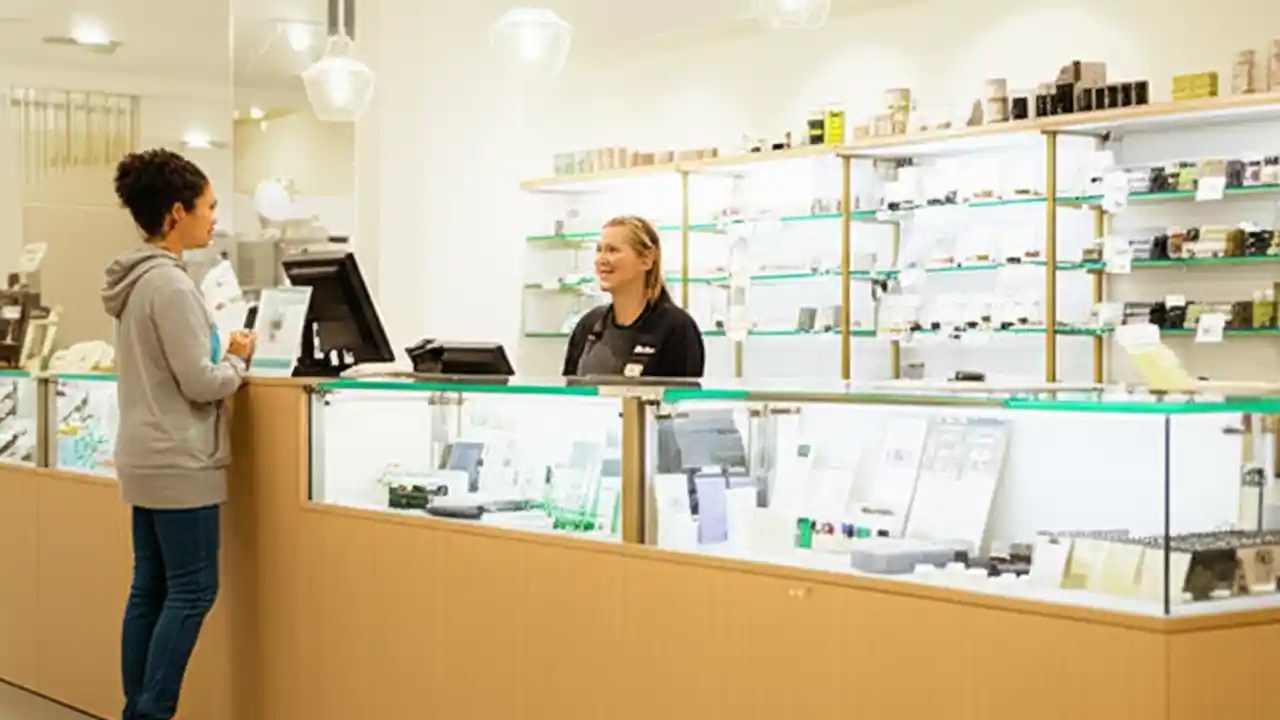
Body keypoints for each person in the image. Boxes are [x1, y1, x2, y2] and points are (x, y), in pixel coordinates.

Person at [102, 149, 256, 720]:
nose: (214, 218)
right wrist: (238, 360)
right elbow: (201, 381)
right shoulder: (169, 286)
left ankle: (136, 709)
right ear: (175, 213)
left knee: (150, 590)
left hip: (145, 458)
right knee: (192, 591)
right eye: (208, 207)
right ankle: (152, 712)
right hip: (181, 461)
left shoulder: (135, 283)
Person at [562, 215, 704, 378]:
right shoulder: (589, 324)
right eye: (599, 250)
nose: (601, 259)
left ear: (646, 259)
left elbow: (681, 397)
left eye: (612, 250)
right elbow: (570, 393)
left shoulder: (676, 327)